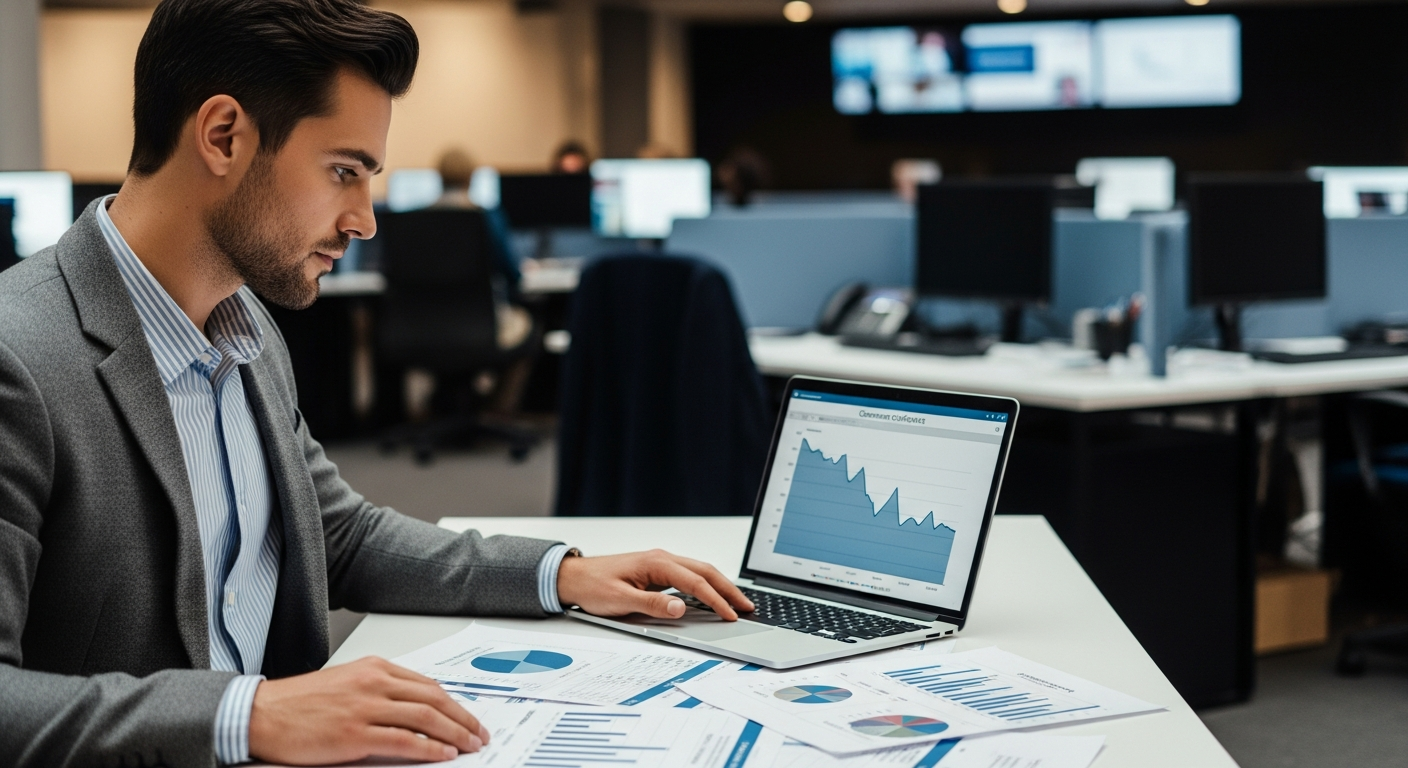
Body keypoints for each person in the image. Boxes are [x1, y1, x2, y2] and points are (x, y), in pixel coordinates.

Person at [0, 1, 753, 767]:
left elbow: (340, 537)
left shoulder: (246, 331)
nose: (364, 220)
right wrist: (247, 715)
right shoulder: (18, 359)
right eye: (343, 172)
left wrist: (560, 573)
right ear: (223, 135)